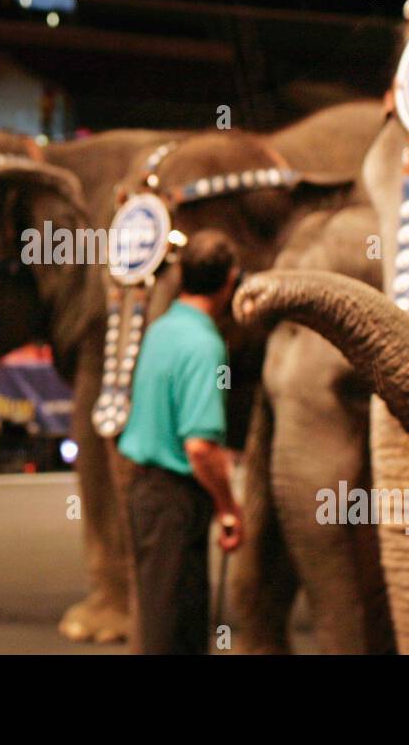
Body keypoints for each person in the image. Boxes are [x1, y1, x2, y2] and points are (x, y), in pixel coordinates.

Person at [117, 229, 244, 655]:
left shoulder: (161, 329)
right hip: (175, 499)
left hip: (146, 493)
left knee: (165, 619)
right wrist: (229, 506)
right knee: (174, 632)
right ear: (230, 281)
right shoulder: (205, 345)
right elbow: (200, 447)